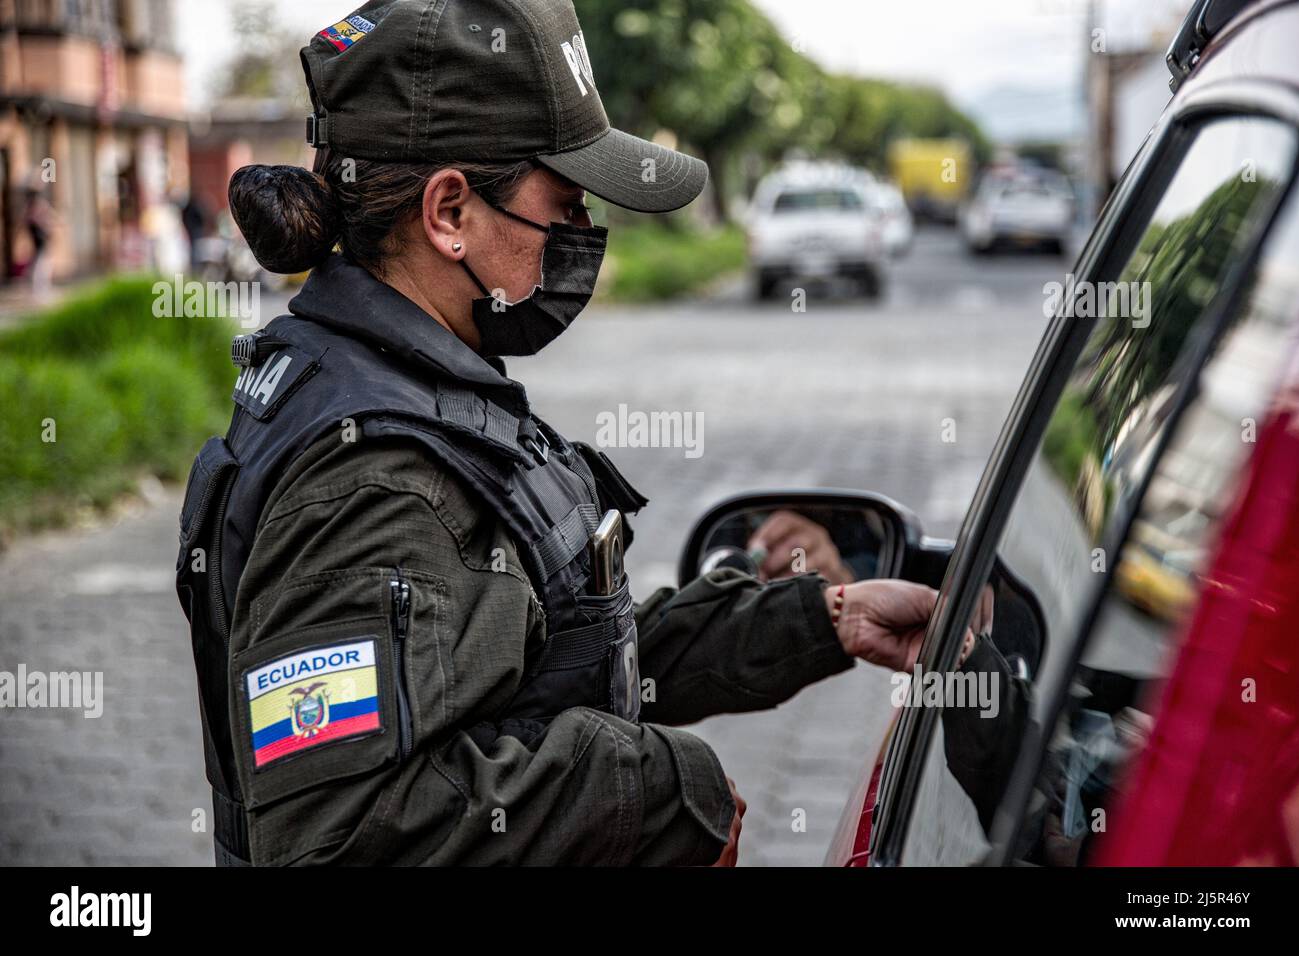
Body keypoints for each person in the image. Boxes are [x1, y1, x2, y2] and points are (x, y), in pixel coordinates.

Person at [175, 0, 942, 866]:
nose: (583, 239)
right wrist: (657, 790)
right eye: (565, 208)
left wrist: (818, 618)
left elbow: (543, 661)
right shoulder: (374, 479)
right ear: (450, 212)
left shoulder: (421, 386)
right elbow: (343, 834)